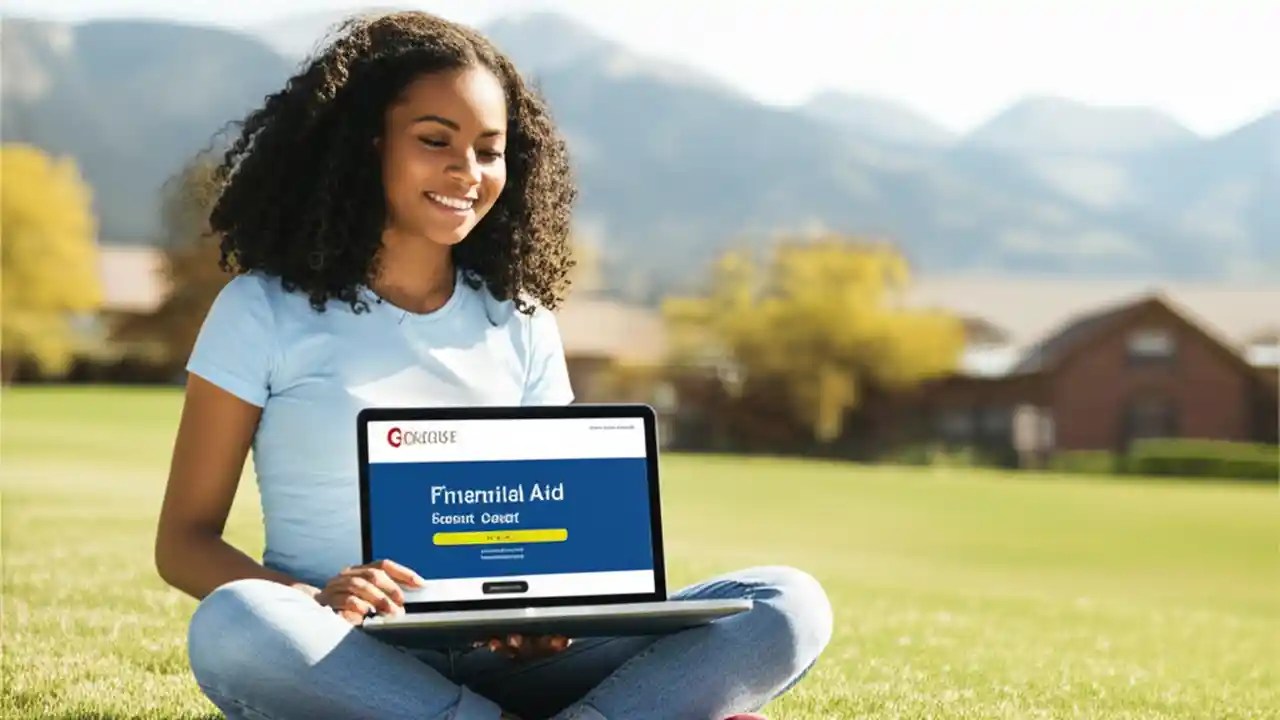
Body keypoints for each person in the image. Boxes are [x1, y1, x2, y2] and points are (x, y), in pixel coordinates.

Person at [154, 11, 832, 720]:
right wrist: (314, 598)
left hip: (514, 667)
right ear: (368, 144)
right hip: (345, 658)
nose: (465, 172)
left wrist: (553, 613)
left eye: (489, 149)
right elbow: (184, 543)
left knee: (785, 604)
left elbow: (554, 540)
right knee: (235, 624)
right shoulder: (261, 308)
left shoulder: (524, 322)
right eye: (434, 141)